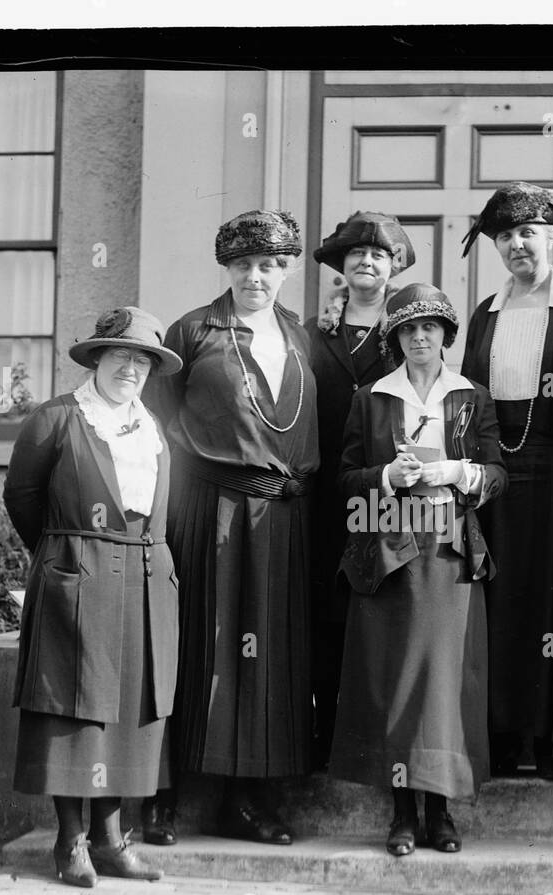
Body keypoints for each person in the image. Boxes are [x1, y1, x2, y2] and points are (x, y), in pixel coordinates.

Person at [140, 210, 318, 846]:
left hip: (282, 519)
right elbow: (158, 423)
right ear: (227, 269)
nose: (256, 277)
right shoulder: (194, 331)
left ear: (287, 270)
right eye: (243, 265)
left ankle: (245, 800)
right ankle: (162, 796)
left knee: (264, 656)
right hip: (210, 511)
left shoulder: (301, 337)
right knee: (200, 645)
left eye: (270, 265)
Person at [4, 307, 181, 887]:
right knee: (72, 706)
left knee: (128, 706)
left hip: (143, 575)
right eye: (120, 355)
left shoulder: (153, 428)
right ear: (98, 359)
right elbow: (23, 496)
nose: (130, 367)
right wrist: (63, 556)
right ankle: (70, 842)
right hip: (76, 573)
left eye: (142, 360)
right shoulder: (57, 418)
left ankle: (111, 841)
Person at [330, 283, 507, 856]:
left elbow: (498, 474)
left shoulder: (471, 397)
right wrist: (388, 477)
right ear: (397, 339)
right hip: (389, 553)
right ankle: (403, 814)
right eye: (408, 330)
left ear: (446, 336)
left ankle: (442, 813)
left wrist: (459, 471)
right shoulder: (372, 397)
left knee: (444, 683)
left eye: (430, 328)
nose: (420, 338)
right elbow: (345, 478)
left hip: (451, 553)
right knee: (395, 682)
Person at [461, 182, 553, 781]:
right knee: (495, 599)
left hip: (552, 472)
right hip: (495, 470)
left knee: (547, 600)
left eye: (529, 233)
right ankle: (499, 733)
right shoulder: (484, 313)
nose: (519, 244)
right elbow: (465, 400)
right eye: (507, 236)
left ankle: (548, 740)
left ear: (552, 237)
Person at [304, 211, 415, 767]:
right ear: (341, 269)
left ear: (392, 267)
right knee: (323, 606)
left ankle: (374, 732)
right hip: (322, 489)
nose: (367, 263)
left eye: (379, 256)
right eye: (357, 256)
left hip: (381, 490)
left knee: (372, 602)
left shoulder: (407, 333)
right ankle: (324, 728)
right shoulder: (311, 334)